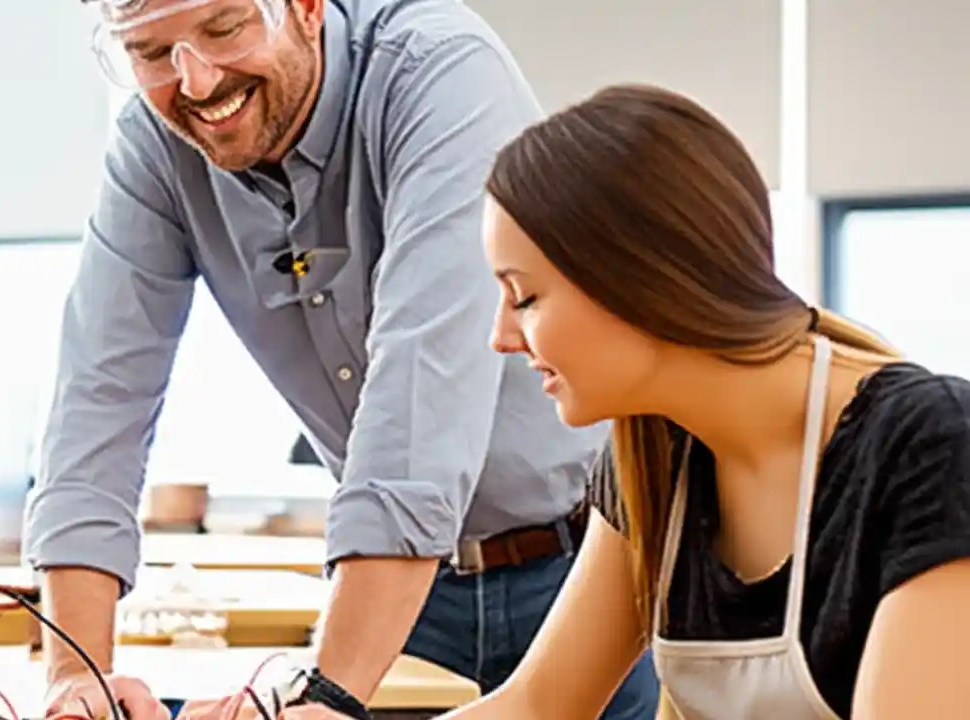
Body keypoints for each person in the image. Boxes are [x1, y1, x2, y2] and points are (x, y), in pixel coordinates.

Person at [24, 0, 659, 719]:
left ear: (304, 6)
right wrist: (76, 676)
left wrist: (327, 694)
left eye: (224, 29)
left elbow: (420, 396)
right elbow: (98, 402)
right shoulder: (154, 145)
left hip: (590, 569)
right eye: (150, 53)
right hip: (401, 594)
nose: (195, 82)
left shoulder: (438, 73)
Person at [299, 83, 970, 720]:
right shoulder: (652, 460)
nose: (501, 337)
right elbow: (539, 706)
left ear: (637, 278)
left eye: (524, 296)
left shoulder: (932, 446)